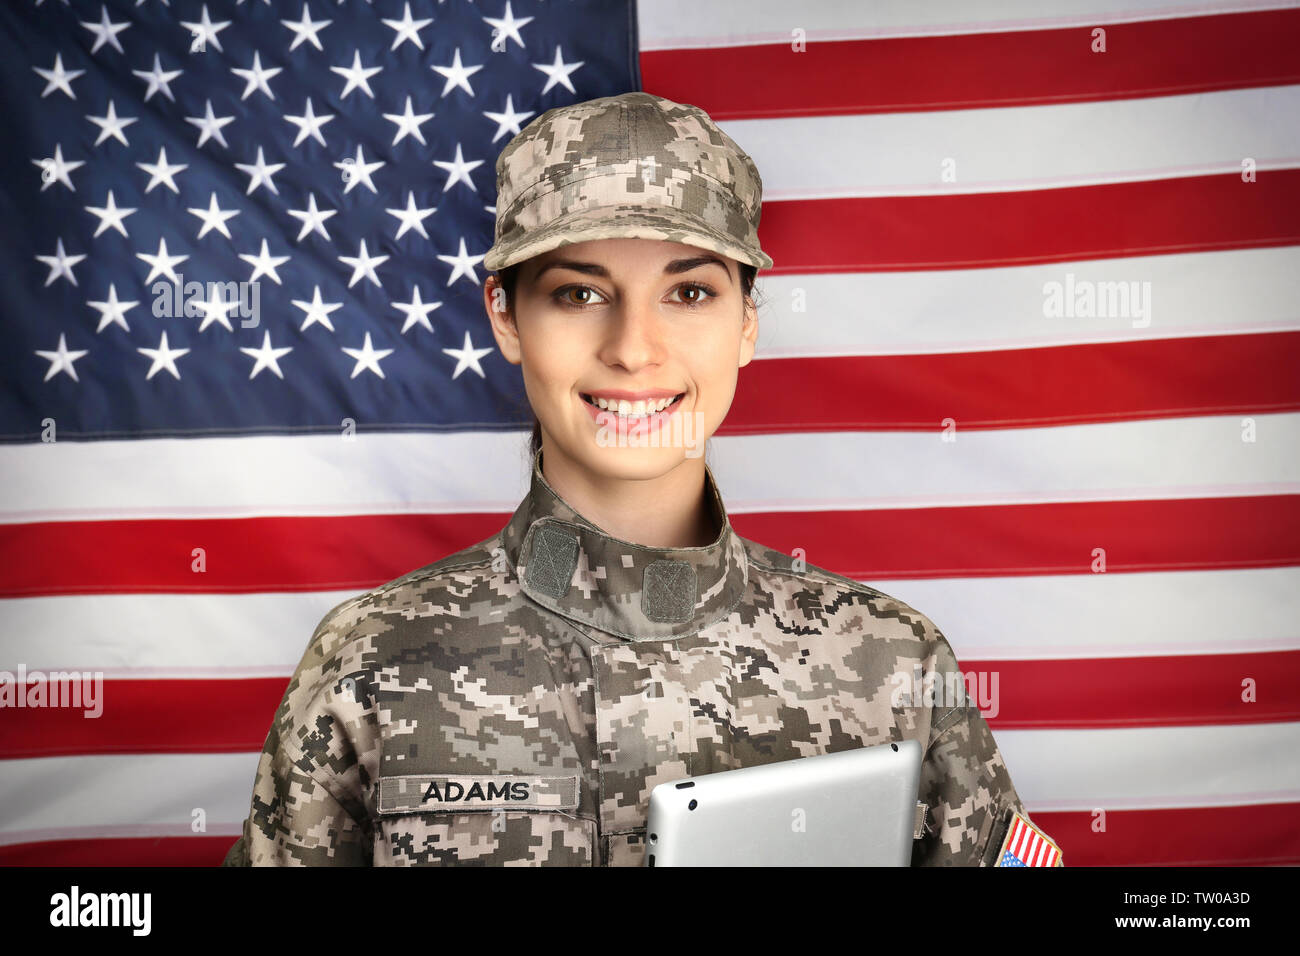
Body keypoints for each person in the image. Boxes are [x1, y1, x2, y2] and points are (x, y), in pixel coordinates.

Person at [221, 91, 1062, 867]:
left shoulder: (892, 664)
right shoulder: (368, 659)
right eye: (580, 293)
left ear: (748, 326)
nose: (633, 348)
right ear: (505, 318)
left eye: (689, 292)